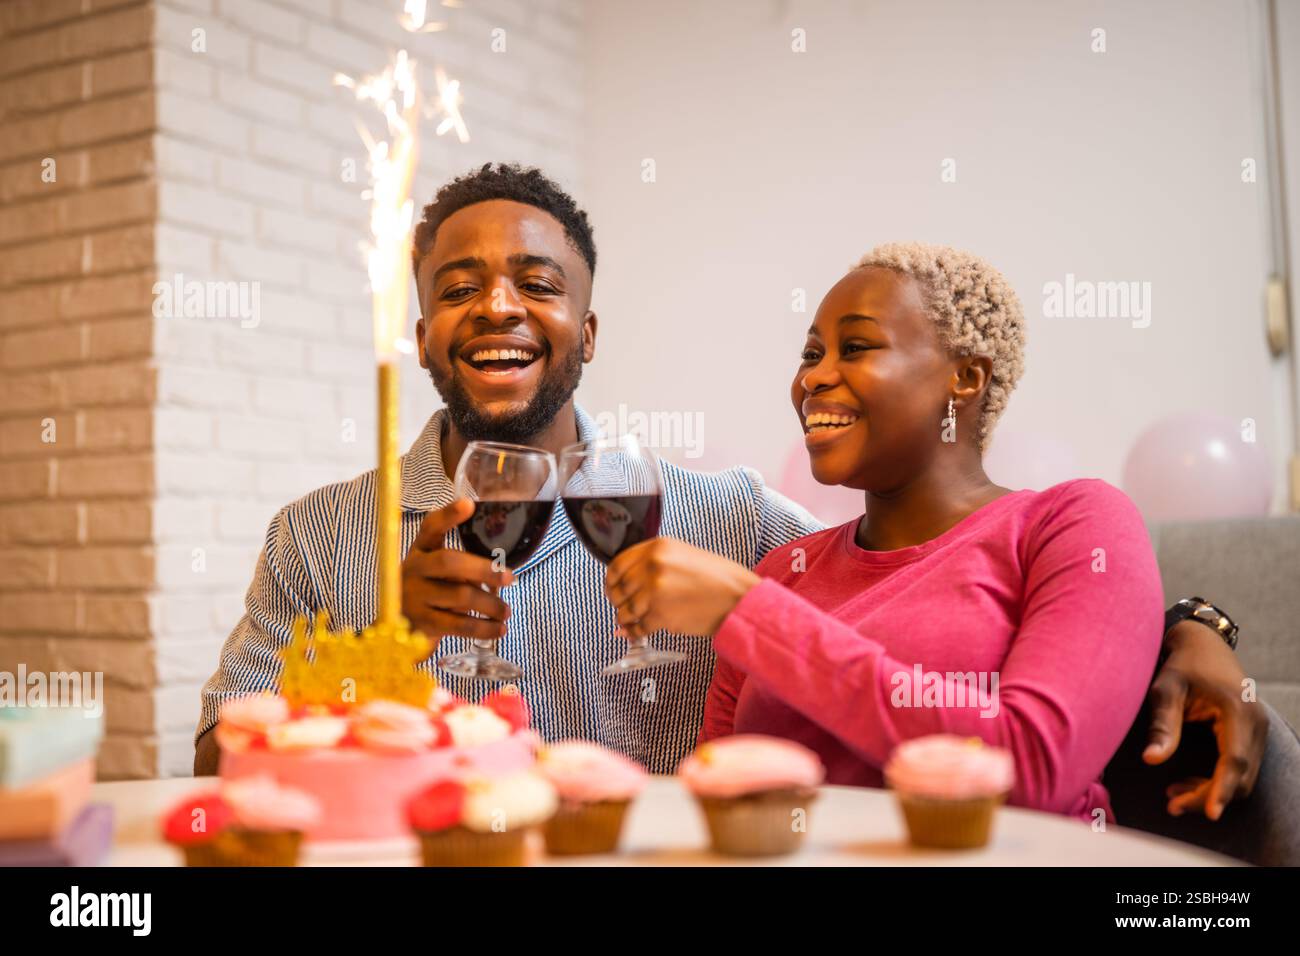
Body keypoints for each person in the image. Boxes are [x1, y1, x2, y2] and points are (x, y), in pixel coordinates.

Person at [195, 166, 1264, 820]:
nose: (498, 307)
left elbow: (935, 595)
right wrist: (381, 649)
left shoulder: (729, 523)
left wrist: (1185, 624)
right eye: (457, 288)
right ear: (421, 329)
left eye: (538, 281)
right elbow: (214, 762)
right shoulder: (318, 535)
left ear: (587, 329)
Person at [602, 242, 1265, 822]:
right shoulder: (783, 571)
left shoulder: (1072, 521)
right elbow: (723, 797)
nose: (813, 377)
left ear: (965, 377)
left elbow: (1031, 768)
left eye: (855, 347)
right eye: (810, 353)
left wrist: (747, 612)